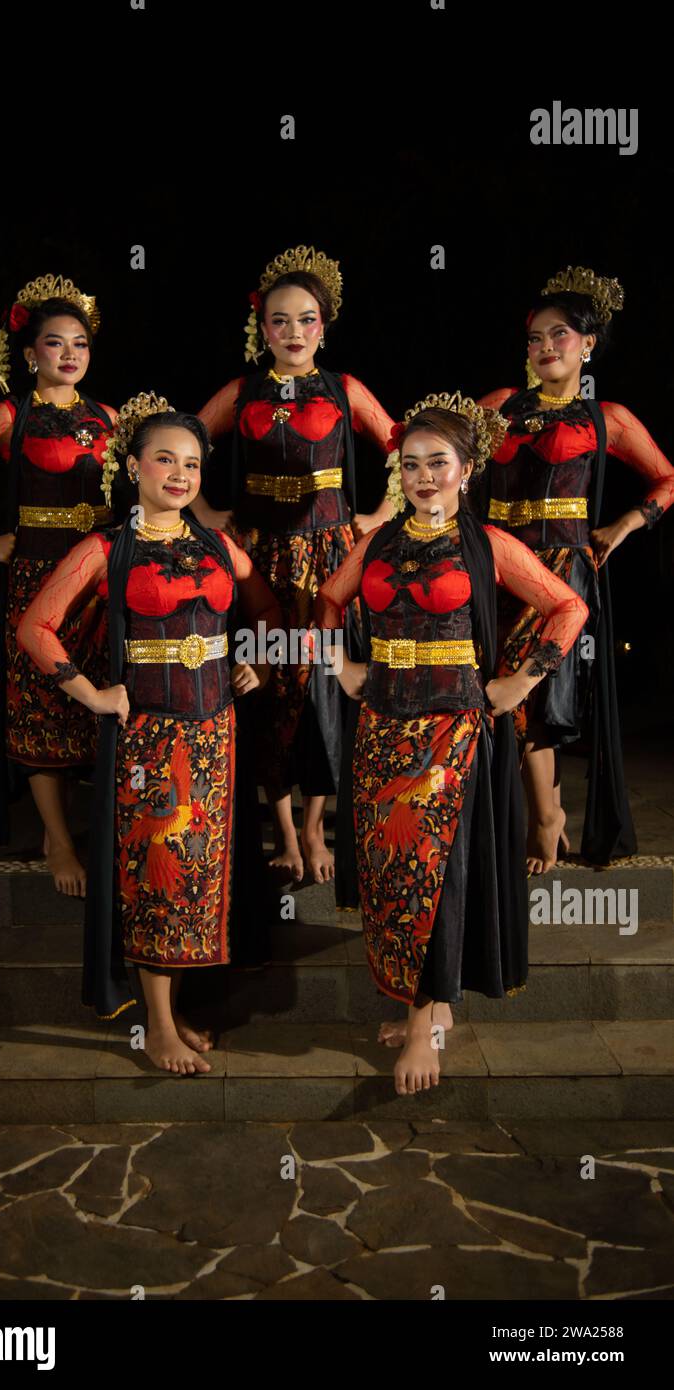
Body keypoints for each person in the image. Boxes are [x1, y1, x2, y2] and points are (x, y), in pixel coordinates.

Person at [314, 392, 588, 1095]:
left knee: (434, 871)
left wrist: (521, 684)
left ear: (467, 470)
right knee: (389, 871)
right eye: (412, 465)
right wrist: (339, 667)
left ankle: (421, 1021)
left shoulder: (490, 544)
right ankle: (426, 1003)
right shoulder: (376, 543)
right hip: (379, 724)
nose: (424, 476)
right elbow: (327, 601)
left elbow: (569, 606)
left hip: (453, 727)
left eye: (439, 462)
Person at [17, 394, 280, 1074]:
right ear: (133, 466)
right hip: (148, 740)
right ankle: (158, 1025)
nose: (179, 474)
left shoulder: (220, 545)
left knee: (200, 877)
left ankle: (179, 1010)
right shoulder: (106, 547)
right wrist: (93, 693)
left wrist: (254, 660)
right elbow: (34, 626)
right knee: (158, 875)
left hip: (217, 734)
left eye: (191, 463)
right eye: (164, 459)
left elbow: (268, 611)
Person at [193, 245, 395, 892]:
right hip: (261, 559)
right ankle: (281, 832)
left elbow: (401, 443)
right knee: (267, 681)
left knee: (323, 686)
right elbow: (182, 439)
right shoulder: (240, 391)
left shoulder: (345, 389)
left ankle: (315, 823)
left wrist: (382, 514)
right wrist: (208, 511)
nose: (293, 332)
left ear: (323, 327)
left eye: (306, 320)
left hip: (329, 559)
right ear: (263, 327)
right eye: (280, 321)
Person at [477, 266, 674, 871]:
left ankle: (545, 819)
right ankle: (540, 813)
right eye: (534, 338)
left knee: (537, 693)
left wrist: (621, 526)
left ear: (587, 344)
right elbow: (438, 453)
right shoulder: (498, 406)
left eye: (558, 335)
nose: (543, 348)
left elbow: (667, 481)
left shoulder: (606, 417)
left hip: (563, 571)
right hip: (498, 564)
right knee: (501, 691)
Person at [0, 273, 116, 894]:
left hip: (96, 581)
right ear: (30, 351)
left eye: (80, 344)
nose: (69, 354)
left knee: (89, 700)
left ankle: (92, 826)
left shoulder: (111, 419)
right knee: (40, 703)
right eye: (55, 343)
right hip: (36, 575)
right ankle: (59, 839)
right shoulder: (12, 415)